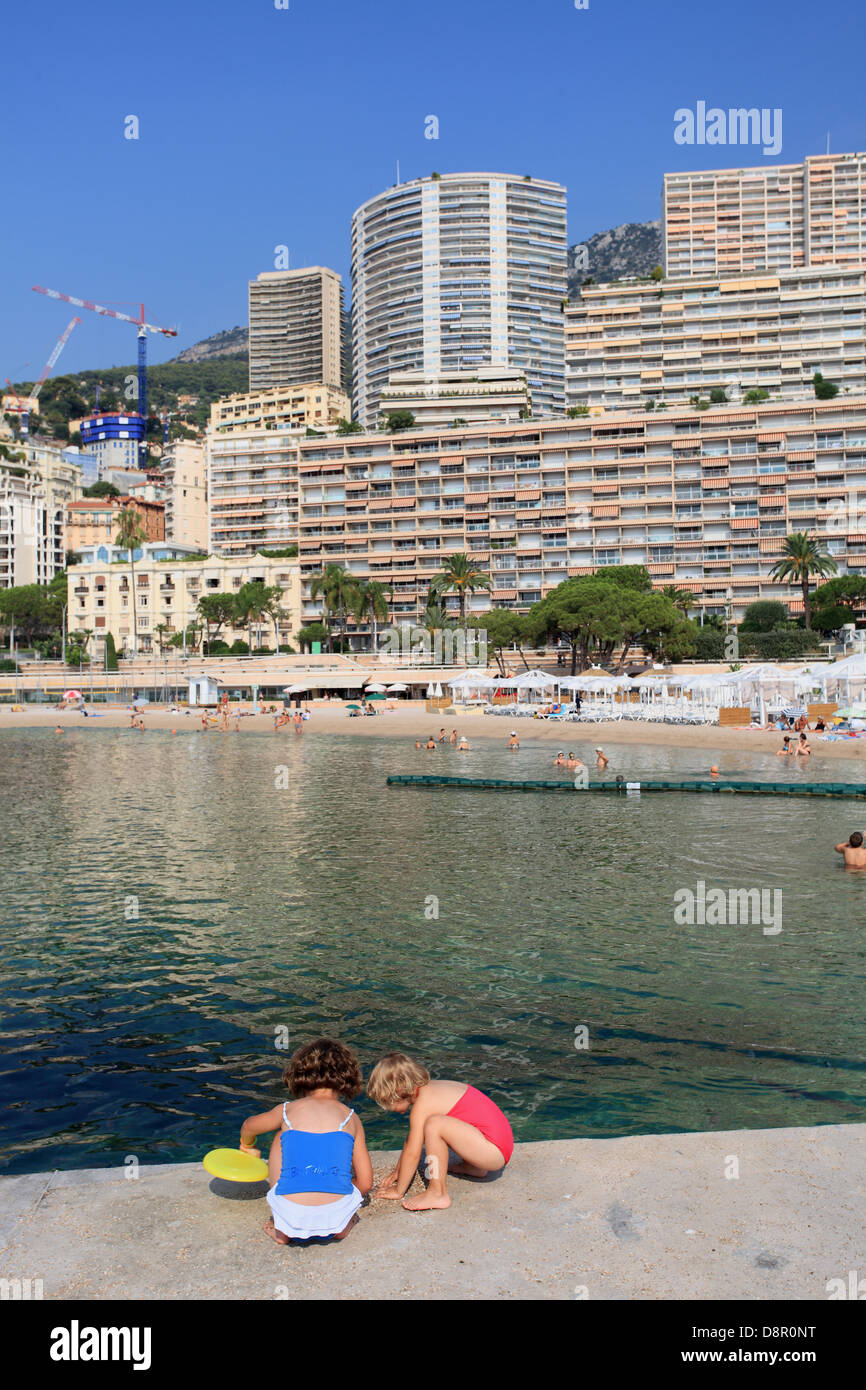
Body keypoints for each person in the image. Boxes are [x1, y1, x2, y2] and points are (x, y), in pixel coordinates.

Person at [238, 1038, 372, 1246]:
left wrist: (247, 1146)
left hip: (289, 1211)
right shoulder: (351, 1117)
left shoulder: (287, 1110)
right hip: (336, 1214)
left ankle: (281, 1229)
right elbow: (365, 1183)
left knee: (282, 1135)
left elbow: (249, 1126)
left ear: (299, 1074)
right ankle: (341, 1226)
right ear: (349, 1077)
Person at [368, 1052, 513, 1212]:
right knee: (435, 1124)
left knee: (434, 1125)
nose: (389, 1108)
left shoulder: (422, 1105)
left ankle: (437, 1193)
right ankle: (475, 1168)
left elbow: (413, 1153)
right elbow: (411, 1141)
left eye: (388, 1102)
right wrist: (398, 1171)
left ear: (399, 1090)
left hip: (493, 1153)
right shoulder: (433, 1088)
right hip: (499, 1143)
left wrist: (398, 1190)